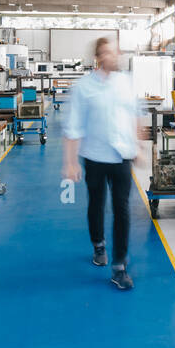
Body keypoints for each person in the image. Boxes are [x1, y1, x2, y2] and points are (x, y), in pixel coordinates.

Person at [63, 37, 141, 291]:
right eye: (107, 53)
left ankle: (119, 266)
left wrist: (139, 145)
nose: (114, 56)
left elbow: (135, 115)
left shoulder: (126, 83)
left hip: (121, 156)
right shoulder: (84, 87)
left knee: (122, 209)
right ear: (99, 57)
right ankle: (98, 245)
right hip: (95, 156)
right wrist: (70, 162)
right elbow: (73, 126)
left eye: (116, 52)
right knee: (96, 204)